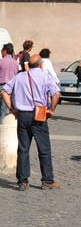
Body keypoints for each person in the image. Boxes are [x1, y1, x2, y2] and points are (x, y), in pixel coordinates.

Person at [1, 53, 61, 190]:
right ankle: (47, 180)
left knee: (23, 149)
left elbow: (4, 92)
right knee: (44, 149)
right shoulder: (45, 77)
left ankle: (22, 181)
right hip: (39, 115)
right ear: (40, 64)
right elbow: (56, 93)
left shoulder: (19, 77)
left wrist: (12, 108)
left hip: (22, 115)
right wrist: (51, 109)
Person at [0, 42, 19, 119]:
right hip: (13, 88)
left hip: (2, 87)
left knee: (3, 109)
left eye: (1, 50)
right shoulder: (15, 63)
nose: (1, 52)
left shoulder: (1, 62)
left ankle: (2, 125)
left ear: (5, 51)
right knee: (12, 109)